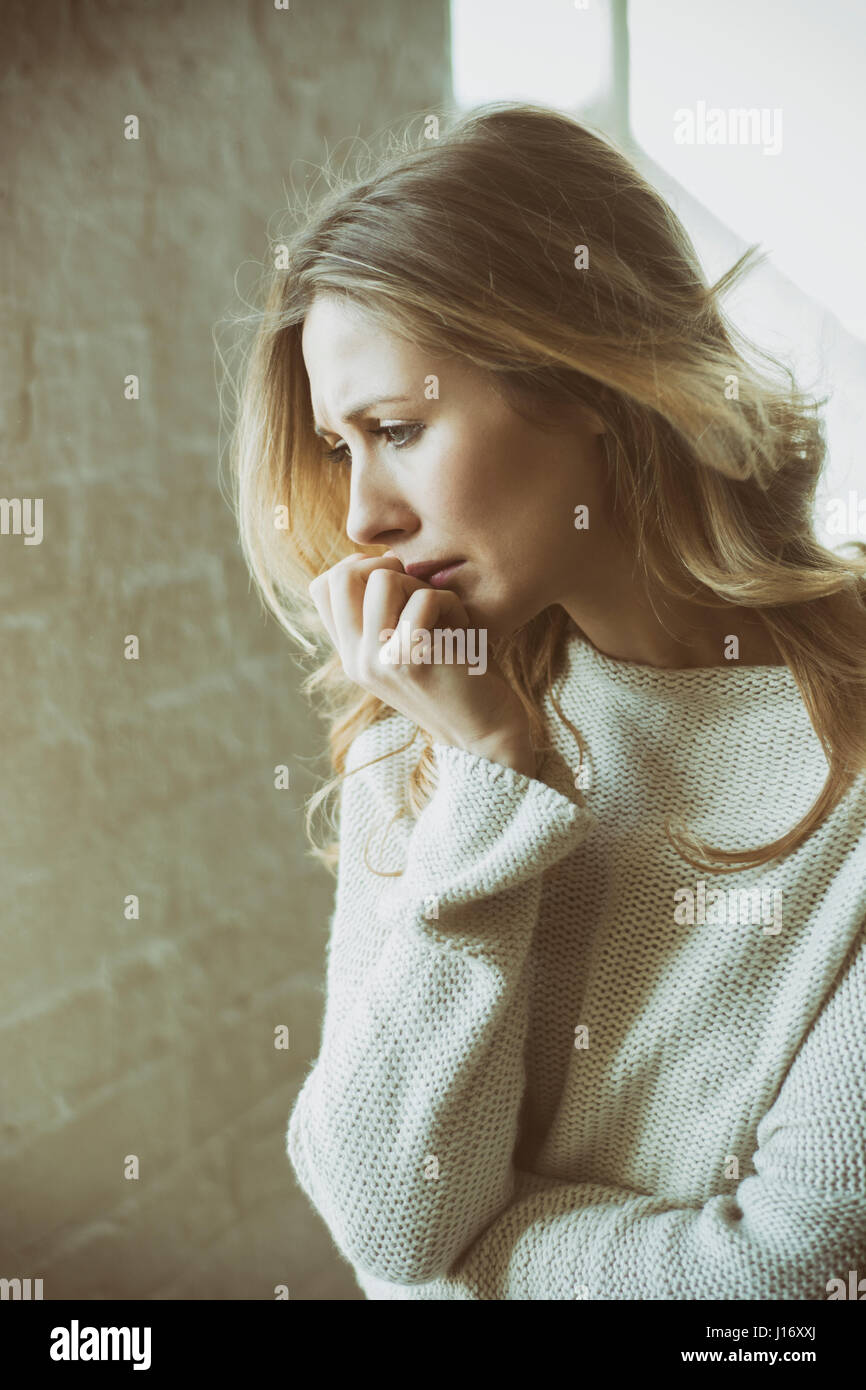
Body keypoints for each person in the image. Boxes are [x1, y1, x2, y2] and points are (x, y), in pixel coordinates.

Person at [227, 102, 866, 1299]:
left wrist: (473, 1257)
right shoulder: (429, 720)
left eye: (399, 429)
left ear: (582, 375)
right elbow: (385, 1221)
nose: (362, 516)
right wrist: (491, 773)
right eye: (338, 448)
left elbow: (786, 1285)